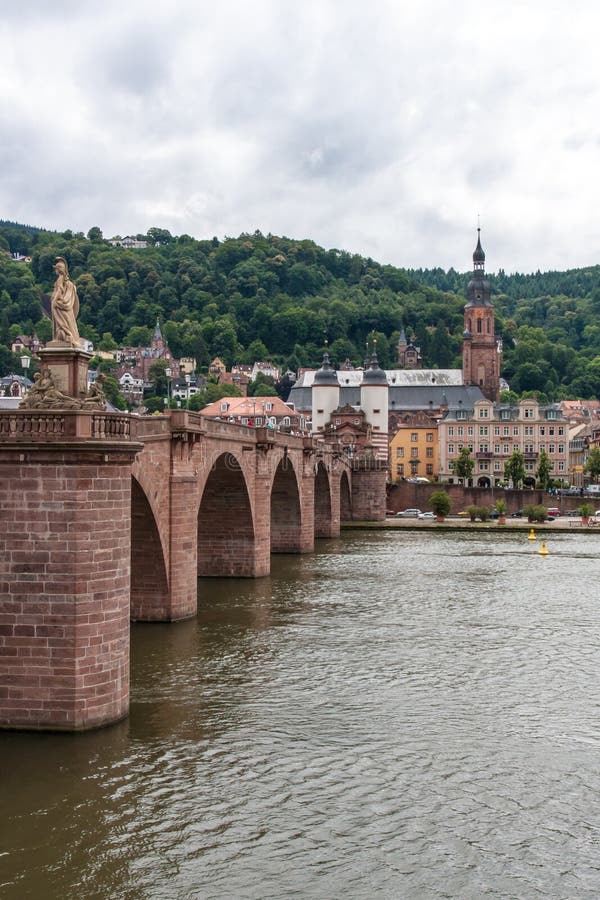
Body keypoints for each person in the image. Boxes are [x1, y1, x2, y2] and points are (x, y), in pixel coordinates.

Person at [51, 256, 81, 346]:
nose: (55, 271)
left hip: (63, 310)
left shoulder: (67, 283)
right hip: (61, 310)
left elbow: (65, 299)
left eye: (56, 269)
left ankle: (68, 336)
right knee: (63, 327)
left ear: (59, 270)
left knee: (65, 327)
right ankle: (63, 337)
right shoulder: (61, 283)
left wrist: (56, 301)